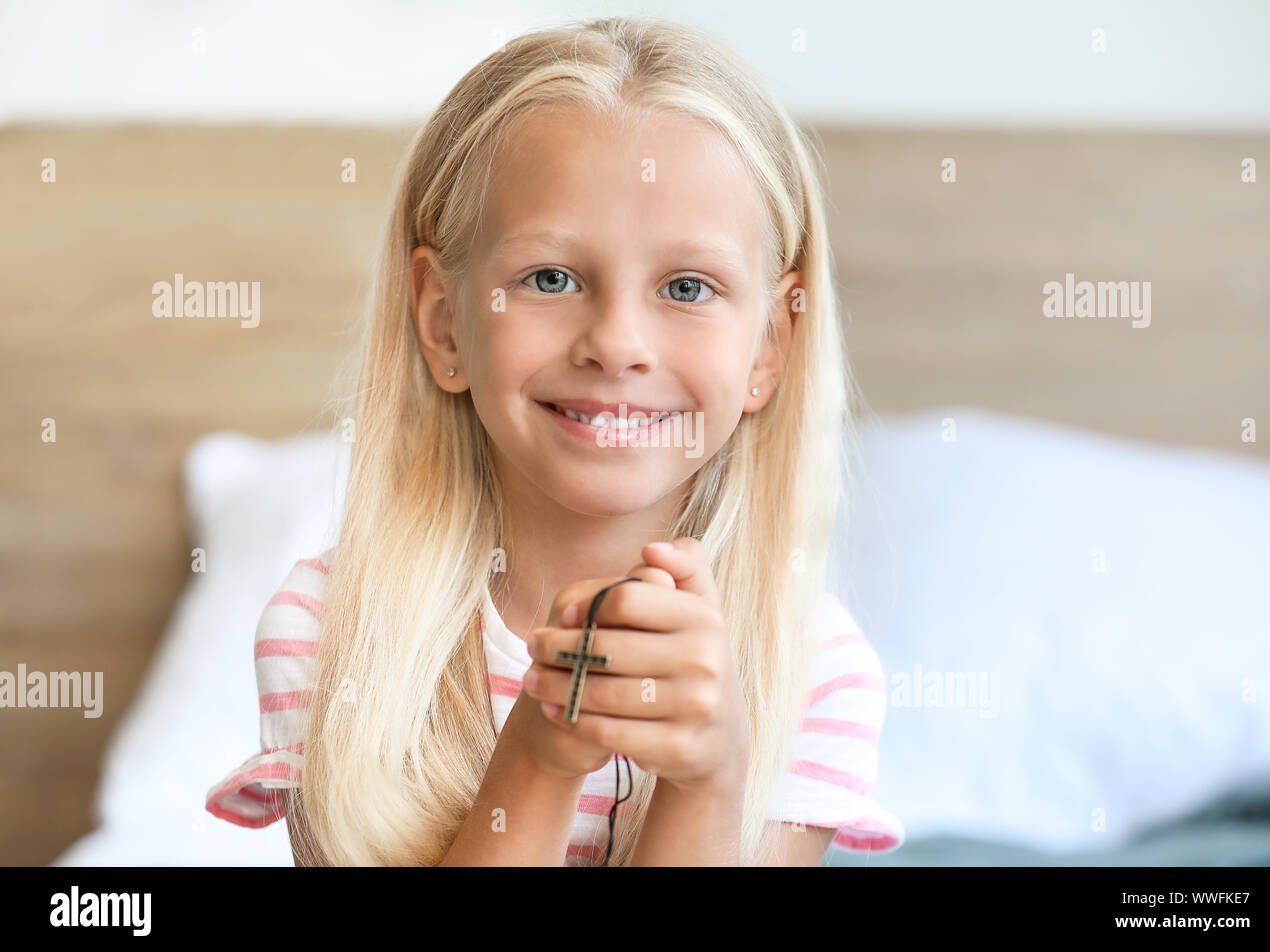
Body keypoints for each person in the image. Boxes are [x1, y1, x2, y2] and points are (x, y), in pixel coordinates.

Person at [205, 15, 904, 866]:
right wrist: (540, 751)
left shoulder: (809, 669)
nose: (616, 342)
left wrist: (708, 781)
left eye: (687, 285)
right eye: (550, 278)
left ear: (768, 348)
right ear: (443, 323)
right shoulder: (332, 636)